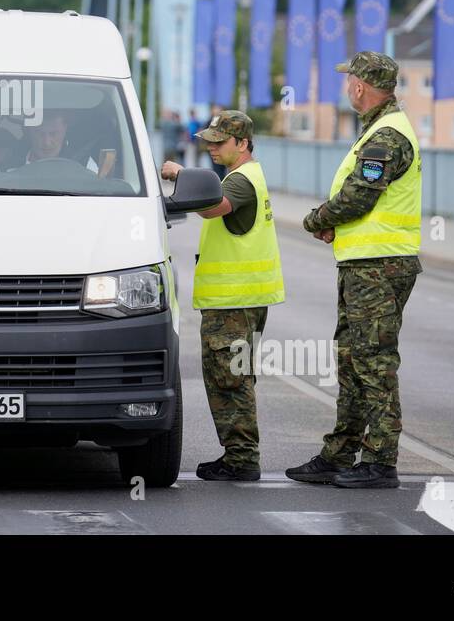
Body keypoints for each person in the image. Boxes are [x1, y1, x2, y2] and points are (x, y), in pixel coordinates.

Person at [286, 51, 421, 490]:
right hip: (364, 264)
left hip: (379, 267)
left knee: (373, 363)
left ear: (360, 86)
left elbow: (357, 198)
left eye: (350, 81)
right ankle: (341, 453)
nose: (347, 87)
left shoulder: (386, 136)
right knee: (352, 360)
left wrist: (318, 220)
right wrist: (334, 227)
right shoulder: (378, 131)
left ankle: (381, 461)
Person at [161, 110, 283, 481]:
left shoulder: (242, 181)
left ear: (242, 143)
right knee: (231, 376)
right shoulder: (244, 176)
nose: (211, 147)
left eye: (219, 141)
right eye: (209, 141)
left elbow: (215, 206)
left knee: (232, 378)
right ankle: (237, 455)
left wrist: (181, 176)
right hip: (238, 300)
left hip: (235, 302)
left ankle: (242, 459)